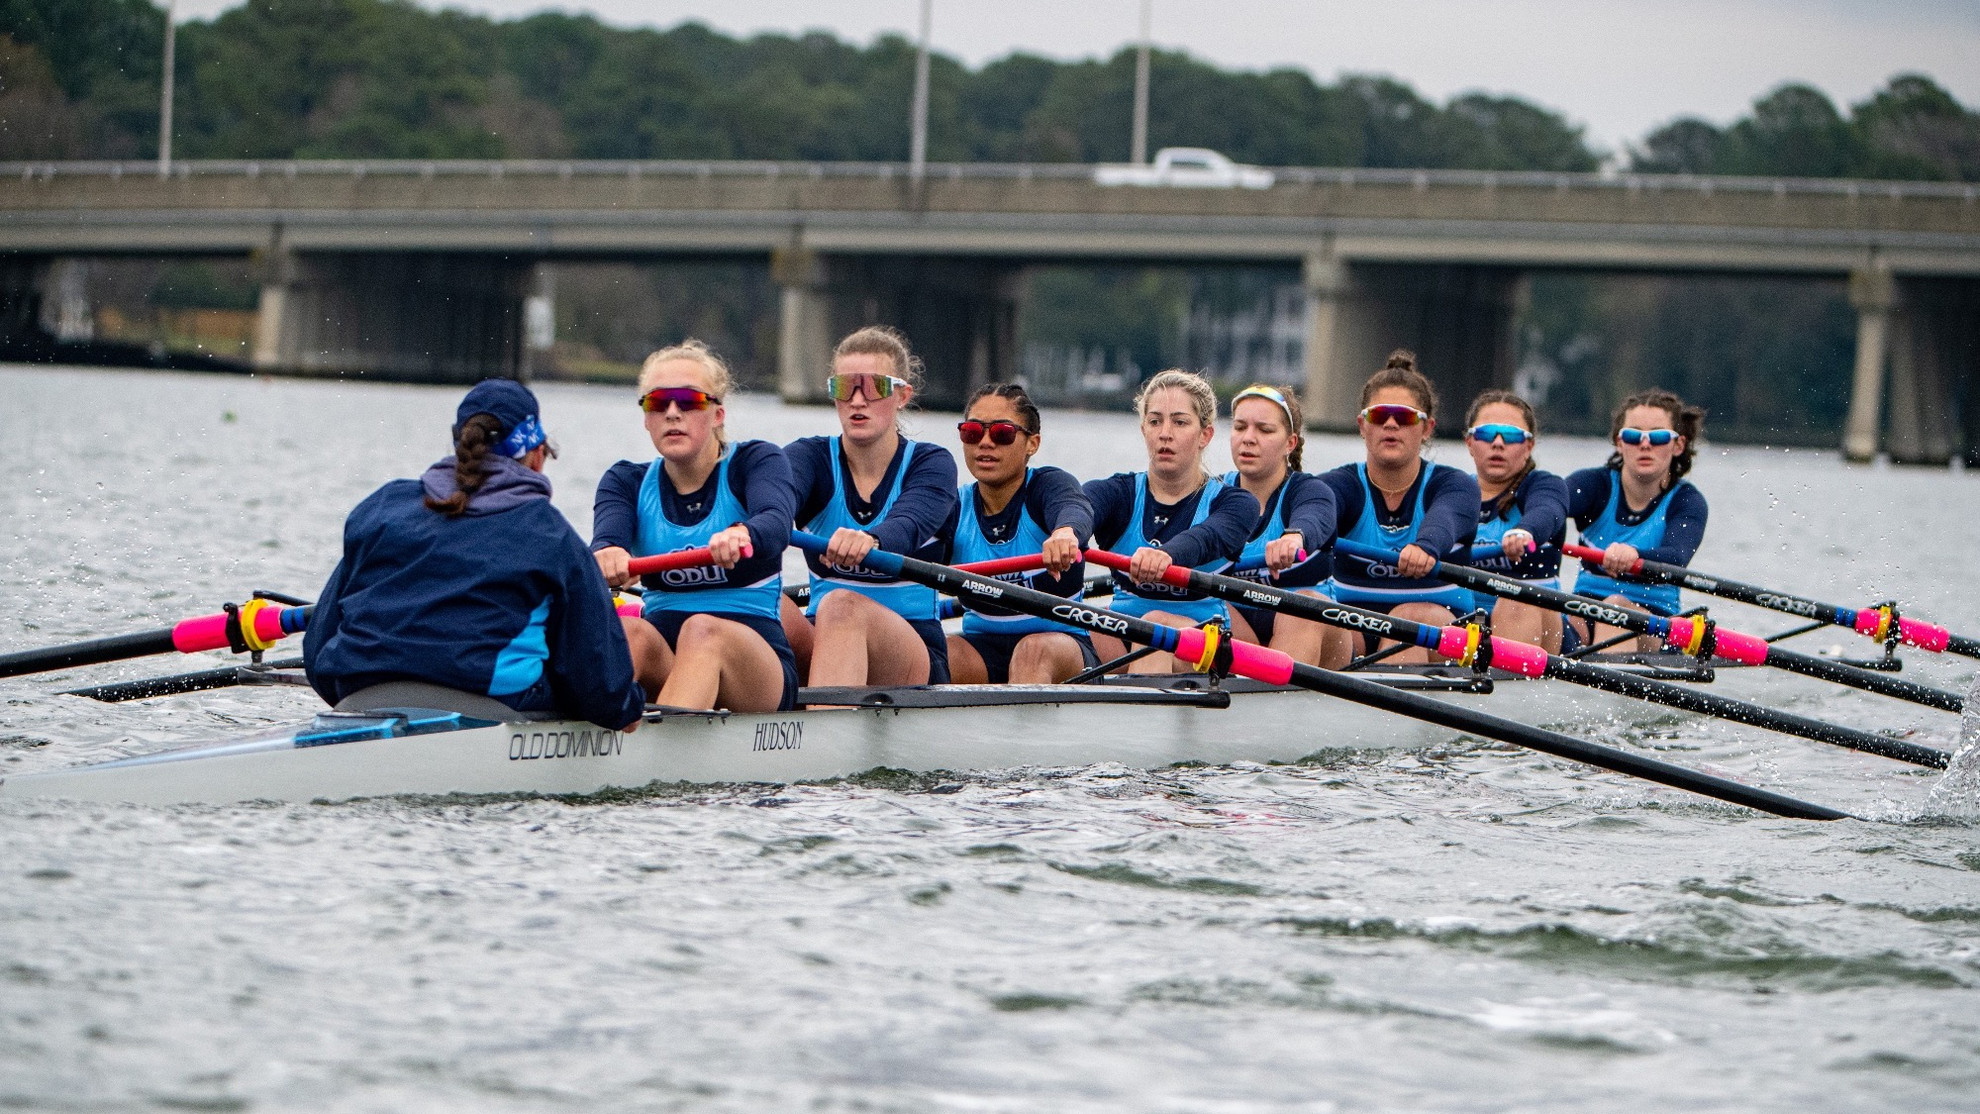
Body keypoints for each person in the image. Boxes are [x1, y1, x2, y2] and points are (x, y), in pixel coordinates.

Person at [303, 379, 644, 732]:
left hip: (359, 698)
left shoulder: (382, 507)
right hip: (491, 706)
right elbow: (599, 686)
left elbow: (317, 652)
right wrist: (626, 709)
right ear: (538, 456)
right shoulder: (550, 534)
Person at [590, 341, 799, 713]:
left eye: (687, 401)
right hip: (668, 662)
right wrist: (608, 557)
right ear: (646, 418)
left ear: (717, 414)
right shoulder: (625, 482)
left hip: (756, 673)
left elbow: (775, 521)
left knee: (701, 630)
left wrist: (744, 533)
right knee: (628, 633)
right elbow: (608, 540)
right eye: (657, 403)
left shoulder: (757, 461)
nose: (672, 413)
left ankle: (651, 763)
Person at [786, 326, 960, 687]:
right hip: (823, 637)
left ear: (901, 395)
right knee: (759, 600)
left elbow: (910, 523)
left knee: (842, 605)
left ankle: (824, 736)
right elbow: (773, 502)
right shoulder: (810, 459)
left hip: (912, 650)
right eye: (845, 386)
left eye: (874, 386)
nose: (858, 400)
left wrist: (873, 540)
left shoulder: (931, 465)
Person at [1084, 369, 1258, 673]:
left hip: (1203, 637)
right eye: (1155, 422)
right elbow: (1078, 507)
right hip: (1123, 631)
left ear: (1205, 435)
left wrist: (1164, 556)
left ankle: (1138, 712)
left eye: (1179, 422)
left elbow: (1205, 538)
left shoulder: (1235, 503)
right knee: (1064, 627)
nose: (1165, 433)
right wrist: (1065, 532)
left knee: (1155, 627)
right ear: (1144, 430)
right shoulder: (1117, 493)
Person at [1317, 350, 1481, 664]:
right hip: (1354, 624)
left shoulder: (1455, 486)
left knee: (1408, 619)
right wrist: (1297, 535)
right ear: (1363, 425)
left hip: (1435, 622)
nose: (1391, 424)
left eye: (1404, 417)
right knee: (1316, 617)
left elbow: (1445, 517)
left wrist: (1427, 546)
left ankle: (1382, 709)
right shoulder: (1338, 485)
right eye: (1379, 416)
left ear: (1427, 428)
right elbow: (1316, 515)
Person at [944, 383, 1099, 685]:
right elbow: (913, 544)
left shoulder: (1048, 485)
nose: (985, 443)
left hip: (1060, 645)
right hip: (980, 647)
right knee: (937, 651)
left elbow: (1074, 508)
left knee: (1032, 651)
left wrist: (1065, 534)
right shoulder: (954, 507)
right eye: (973, 432)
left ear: (1032, 443)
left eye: (1002, 433)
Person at [1567, 388, 1709, 652]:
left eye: (1657, 436)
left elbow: (1677, 556)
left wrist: (1633, 555)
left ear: (1678, 445)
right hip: (1583, 612)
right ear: (1620, 443)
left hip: (1656, 623)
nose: (1645, 445)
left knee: (1616, 606)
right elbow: (1549, 507)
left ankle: (1601, 691)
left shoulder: (1687, 502)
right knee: (1539, 607)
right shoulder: (1593, 485)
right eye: (1633, 436)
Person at [1220, 383, 1347, 668]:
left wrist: (1294, 539)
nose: (1248, 439)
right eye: (1240, 427)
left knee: (1300, 610)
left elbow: (1314, 517)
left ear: (1290, 443)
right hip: (1238, 622)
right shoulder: (1212, 494)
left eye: (1264, 430)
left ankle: (1270, 701)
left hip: (1312, 623)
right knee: (1193, 609)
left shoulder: (1311, 490)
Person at [1462, 389, 1569, 652]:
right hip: (1464, 622)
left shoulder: (1544, 485)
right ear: (1470, 442)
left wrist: (1526, 531)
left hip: (1534, 619)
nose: (1498, 443)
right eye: (1487, 433)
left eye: (1511, 435)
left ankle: (1508, 687)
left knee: (1514, 599)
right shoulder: (1452, 491)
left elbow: (1548, 510)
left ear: (1529, 445)